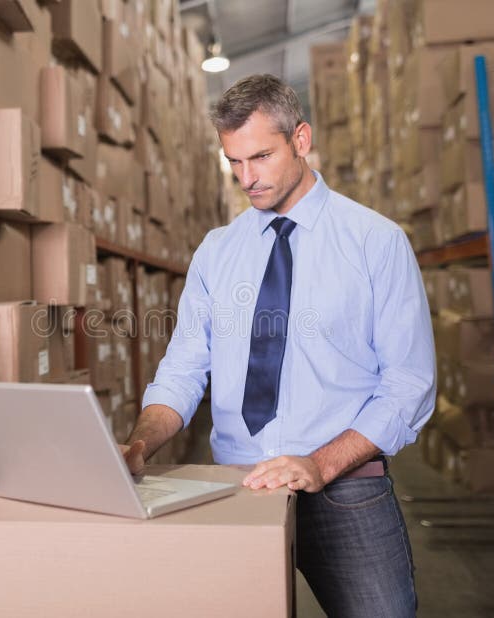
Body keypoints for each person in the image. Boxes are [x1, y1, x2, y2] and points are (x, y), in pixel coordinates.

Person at [121, 74, 435, 617]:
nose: (247, 178)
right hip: (237, 485)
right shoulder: (217, 251)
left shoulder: (375, 242)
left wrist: (320, 464)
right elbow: (184, 370)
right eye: (234, 162)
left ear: (301, 139)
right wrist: (140, 444)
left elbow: (409, 384)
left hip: (345, 492)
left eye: (261, 157)